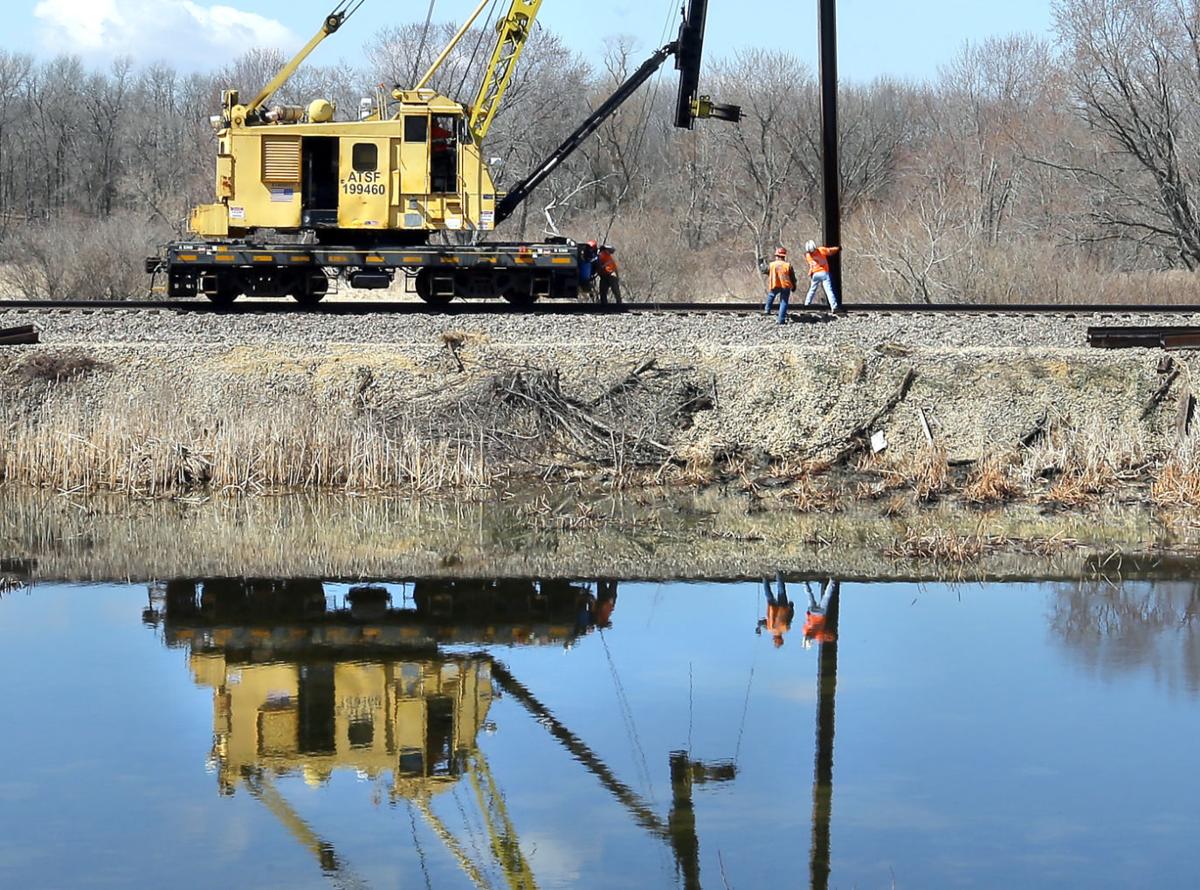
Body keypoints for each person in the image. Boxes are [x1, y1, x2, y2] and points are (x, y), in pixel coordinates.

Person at [756, 573, 795, 648]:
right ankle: (765, 579)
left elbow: (790, 616)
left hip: (783, 608)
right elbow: (762, 622)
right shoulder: (770, 629)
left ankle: (778, 575)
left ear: (782, 638)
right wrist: (759, 626)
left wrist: (791, 606)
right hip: (772, 608)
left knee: (781, 591)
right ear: (774, 638)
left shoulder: (786, 628)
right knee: (768, 594)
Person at [803, 240, 840, 313]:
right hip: (824, 272)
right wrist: (838, 248)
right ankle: (834, 306)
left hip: (815, 274)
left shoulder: (808, 255)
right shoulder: (821, 250)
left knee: (812, 290)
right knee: (828, 290)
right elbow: (830, 251)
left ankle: (806, 304)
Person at [764, 247, 797, 325]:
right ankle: (781, 319)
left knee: (771, 295)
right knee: (784, 302)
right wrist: (794, 286)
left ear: (777, 256)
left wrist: (761, 263)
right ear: (784, 256)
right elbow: (792, 277)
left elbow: (765, 270)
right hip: (786, 285)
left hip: (775, 284)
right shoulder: (788, 265)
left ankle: (767, 310)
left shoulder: (772, 265)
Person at [803, 579, 839, 648]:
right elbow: (807, 620)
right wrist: (808, 613)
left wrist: (832, 637)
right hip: (812, 612)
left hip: (821, 615)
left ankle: (832, 582)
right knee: (810, 596)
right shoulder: (805, 630)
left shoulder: (818, 636)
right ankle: (805, 584)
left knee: (826, 596)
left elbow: (832, 637)